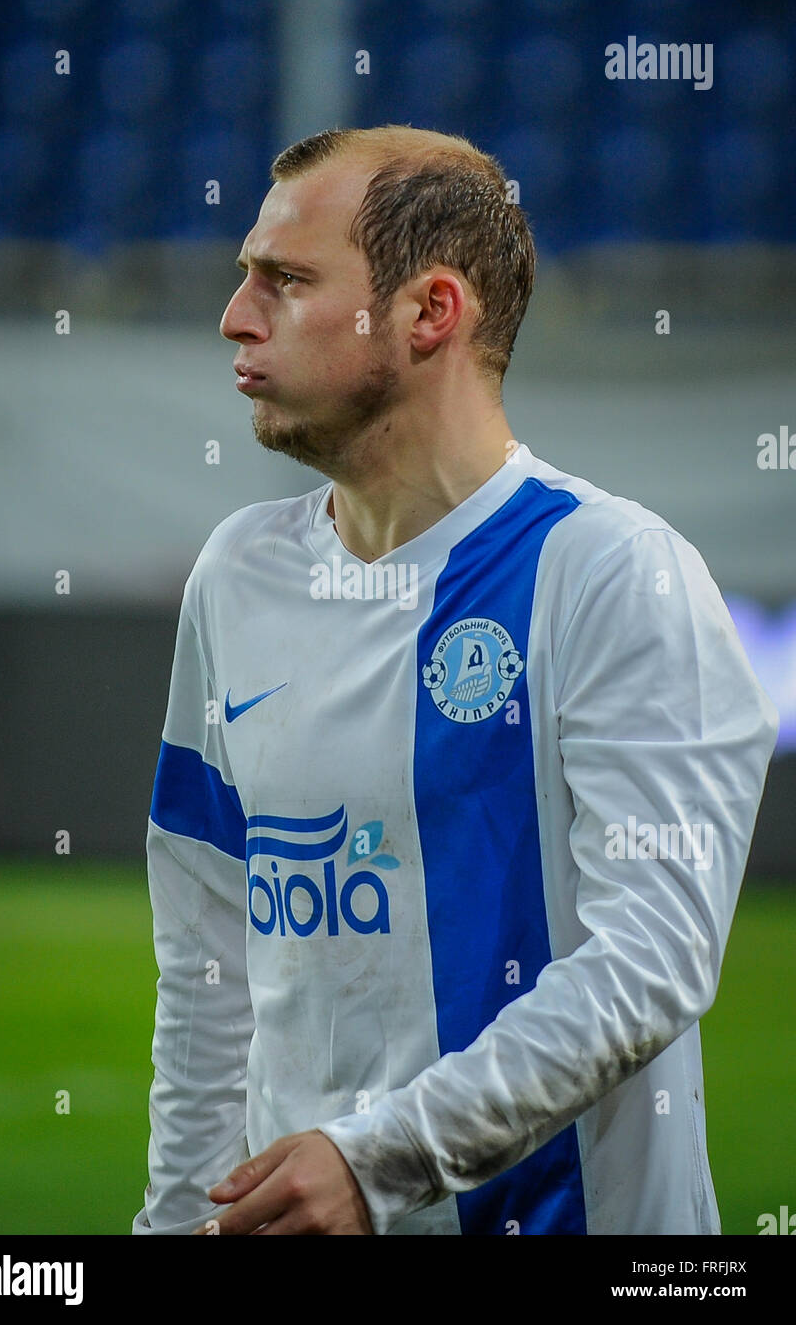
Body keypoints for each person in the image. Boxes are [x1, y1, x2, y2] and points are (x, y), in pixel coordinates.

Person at [132, 125, 778, 1236]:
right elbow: (208, 957)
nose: (236, 317)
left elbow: (653, 959)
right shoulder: (238, 573)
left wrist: (378, 1158)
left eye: (284, 281)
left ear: (430, 312)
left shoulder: (615, 574)